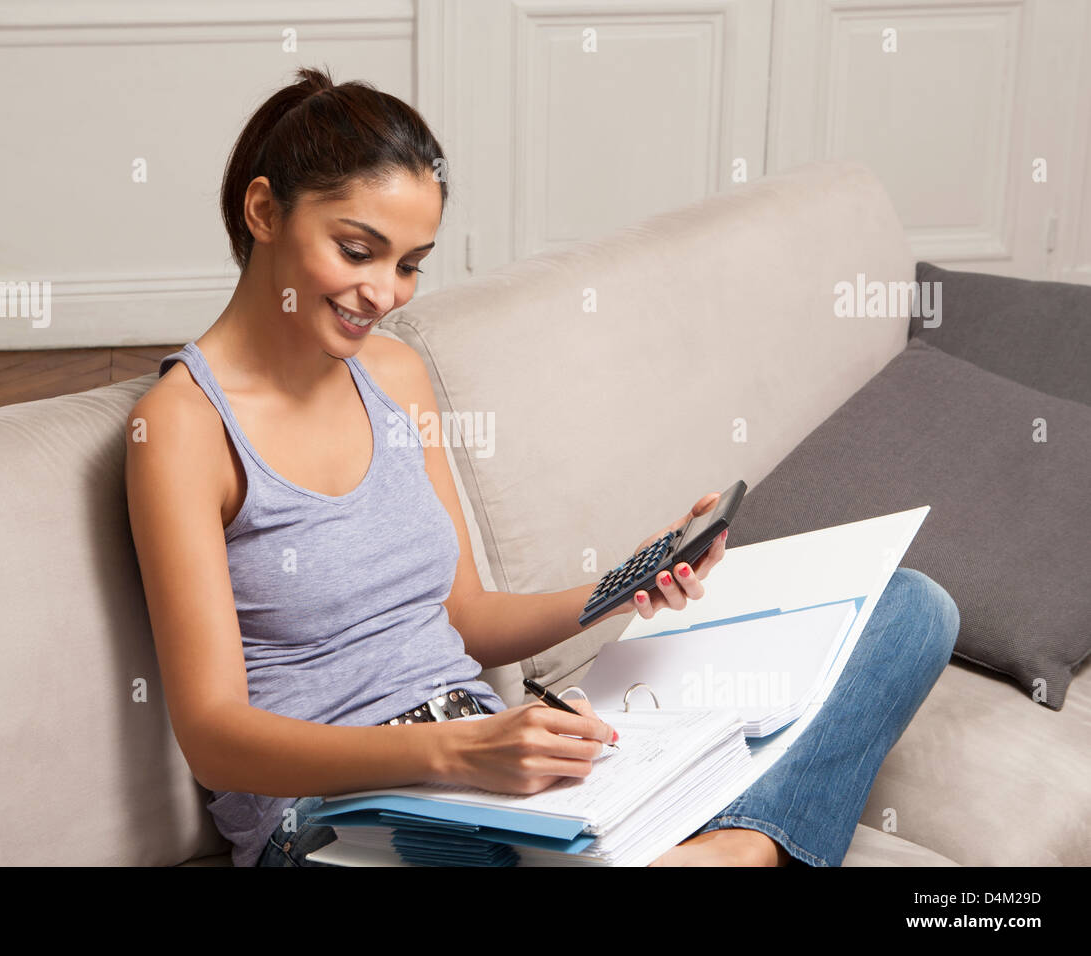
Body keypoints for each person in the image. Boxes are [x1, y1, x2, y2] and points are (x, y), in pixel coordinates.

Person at [124, 66, 960, 868]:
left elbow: (469, 618)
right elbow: (214, 734)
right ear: (266, 211)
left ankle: (737, 848)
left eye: (410, 264)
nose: (383, 292)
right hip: (334, 820)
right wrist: (457, 753)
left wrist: (630, 581)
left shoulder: (393, 376)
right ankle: (731, 846)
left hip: (494, 770)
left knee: (909, 611)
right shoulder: (184, 429)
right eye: (356, 250)